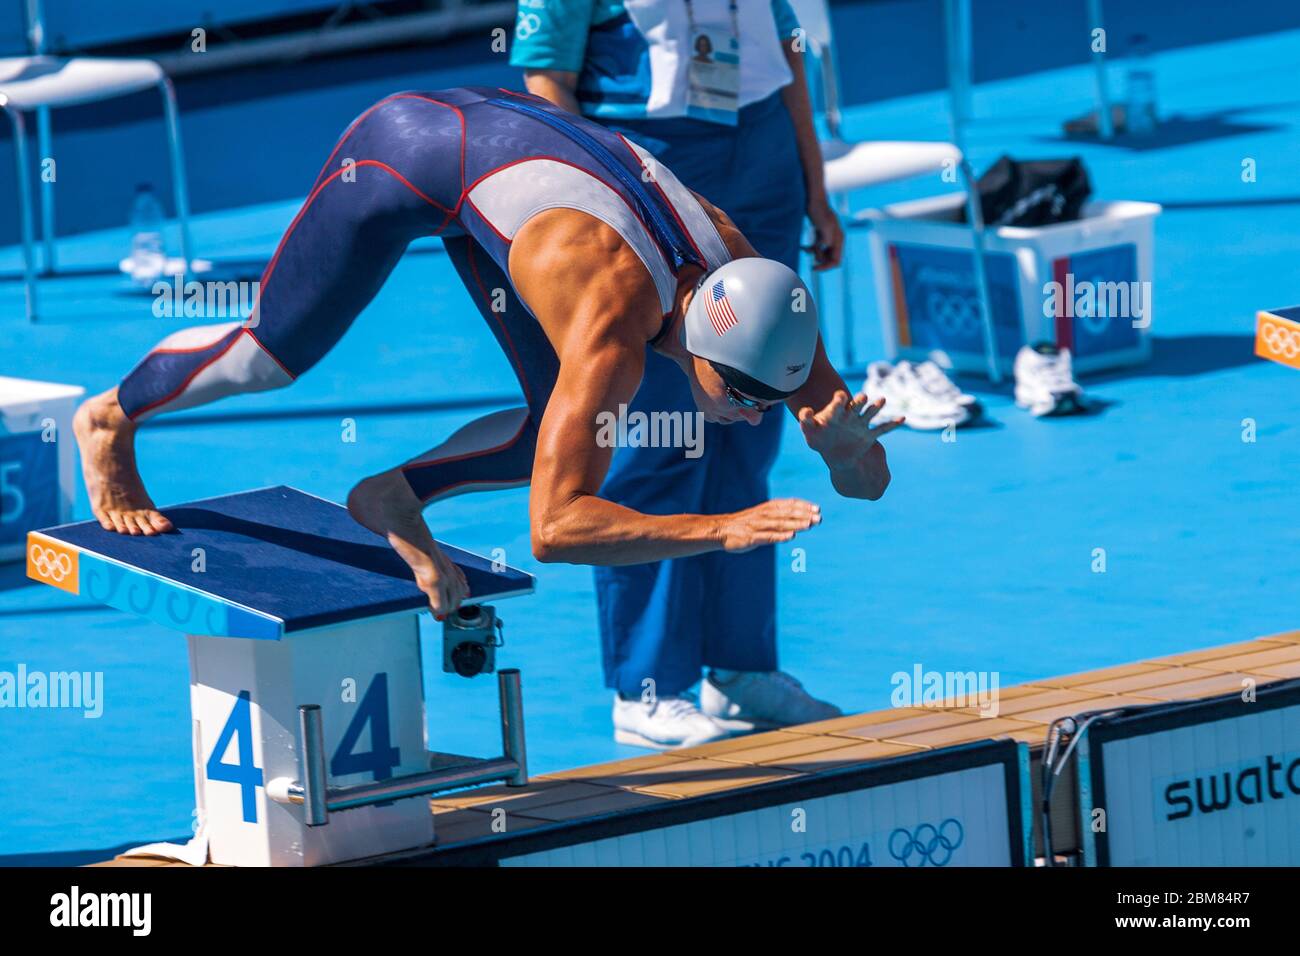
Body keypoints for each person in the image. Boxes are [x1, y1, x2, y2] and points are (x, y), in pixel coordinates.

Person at [73, 87, 898, 716]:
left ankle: (392, 497)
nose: (758, 417)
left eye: (771, 399)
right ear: (709, 353)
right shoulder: (609, 327)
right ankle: (112, 416)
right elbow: (556, 527)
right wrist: (719, 530)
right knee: (270, 356)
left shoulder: (752, 291)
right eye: (748, 397)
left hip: (515, 166)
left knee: (550, 427)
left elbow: (871, 482)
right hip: (406, 153)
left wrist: (846, 451)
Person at [511, 0, 849, 747]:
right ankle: (648, 688)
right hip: (648, 168)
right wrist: (606, 198)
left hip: (763, 162)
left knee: (748, 431)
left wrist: (814, 185)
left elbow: (789, 57)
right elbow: (547, 83)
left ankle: (740, 671)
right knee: (663, 437)